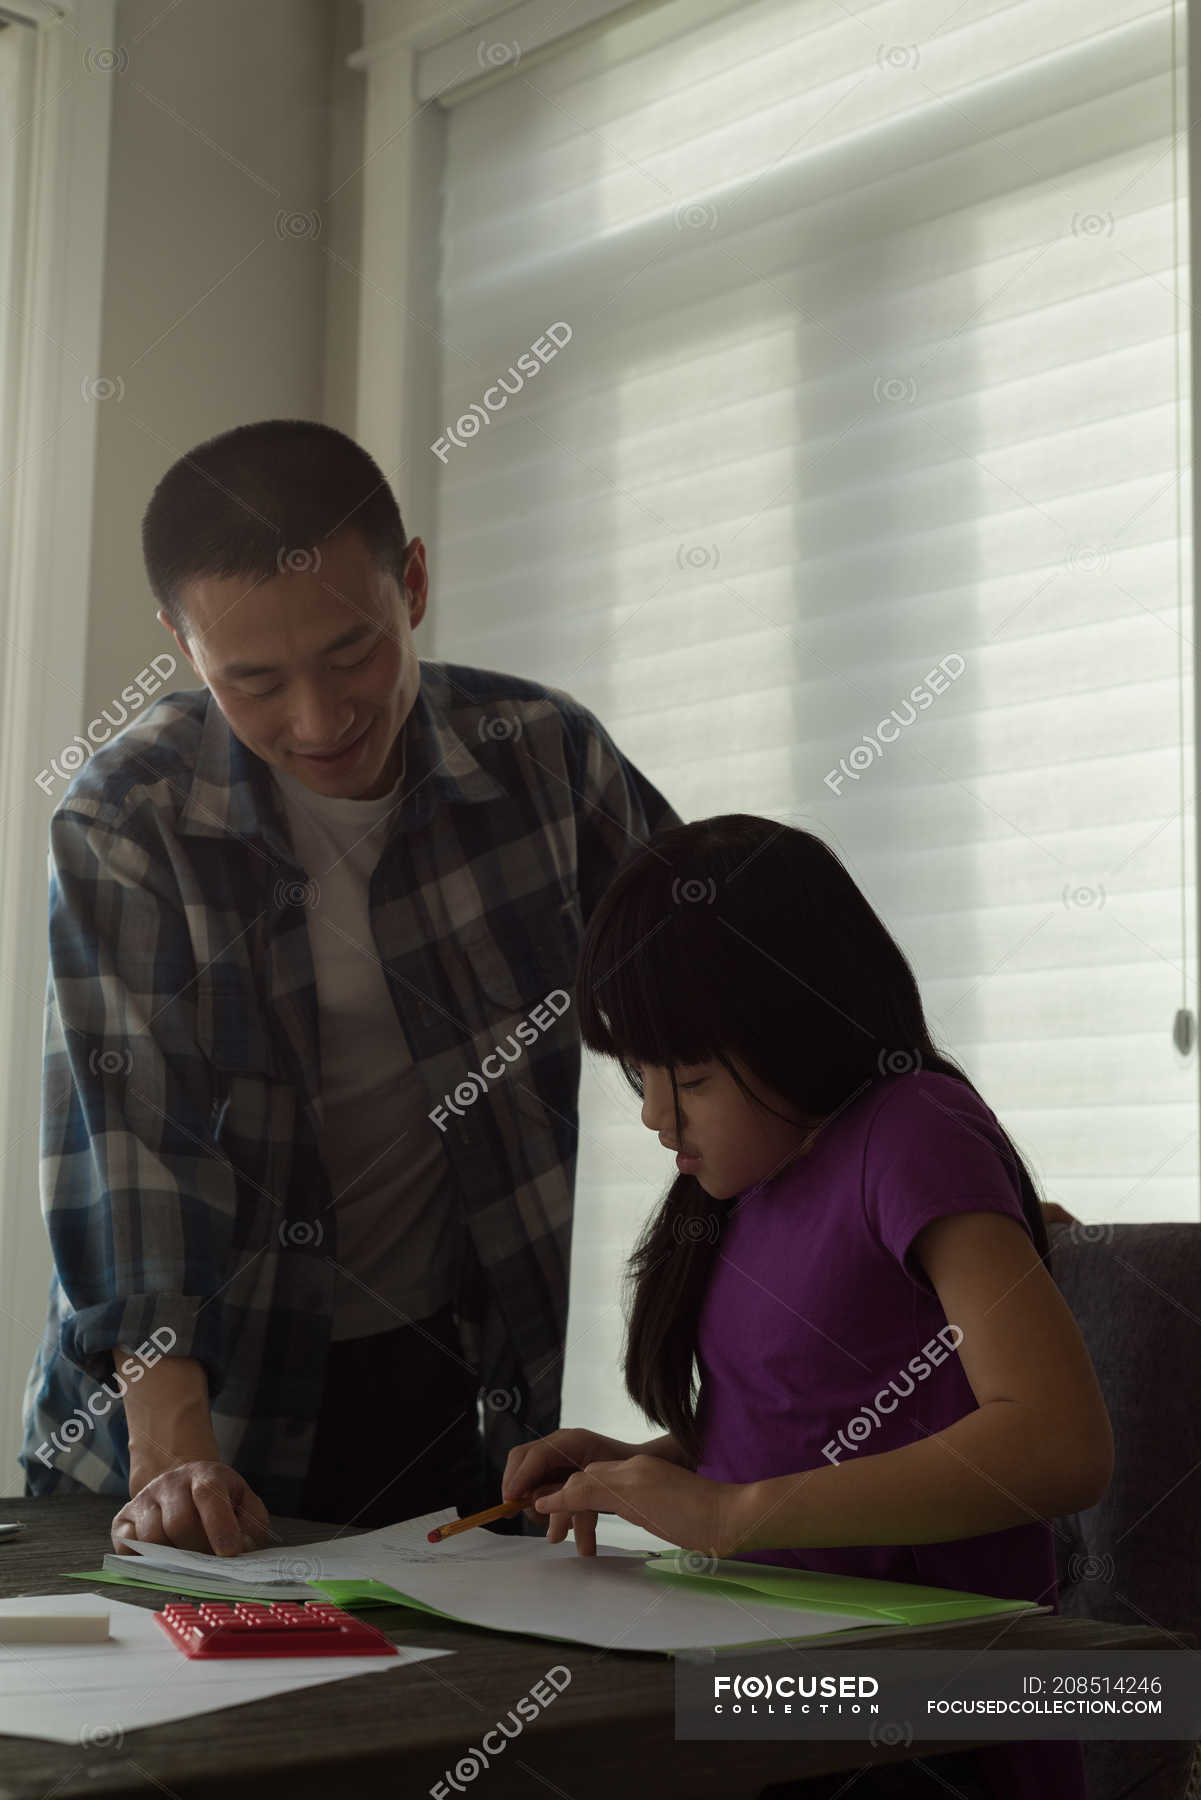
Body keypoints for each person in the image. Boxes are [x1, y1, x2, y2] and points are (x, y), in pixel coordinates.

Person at [20, 417, 681, 1559]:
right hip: (189, 1425)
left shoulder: (545, 763)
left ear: (412, 582)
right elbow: (137, 1152)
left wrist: (921, 1169)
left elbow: (719, 1004)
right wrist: (173, 1456)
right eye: (255, 682)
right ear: (181, 645)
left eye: (351, 654)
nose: (319, 722)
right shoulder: (130, 821)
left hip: (451, 1396)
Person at [502, 814, 1111, 1800]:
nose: (657, 1115)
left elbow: (1057, 1443)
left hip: (936, 1713)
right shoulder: (746, 1185)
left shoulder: (911, 1132)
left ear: (800, 1027)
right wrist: (640, 1469)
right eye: (638, 1076)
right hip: (783, 1678)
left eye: (689, 1077)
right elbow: (822, 1421)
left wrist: (727, 1513)